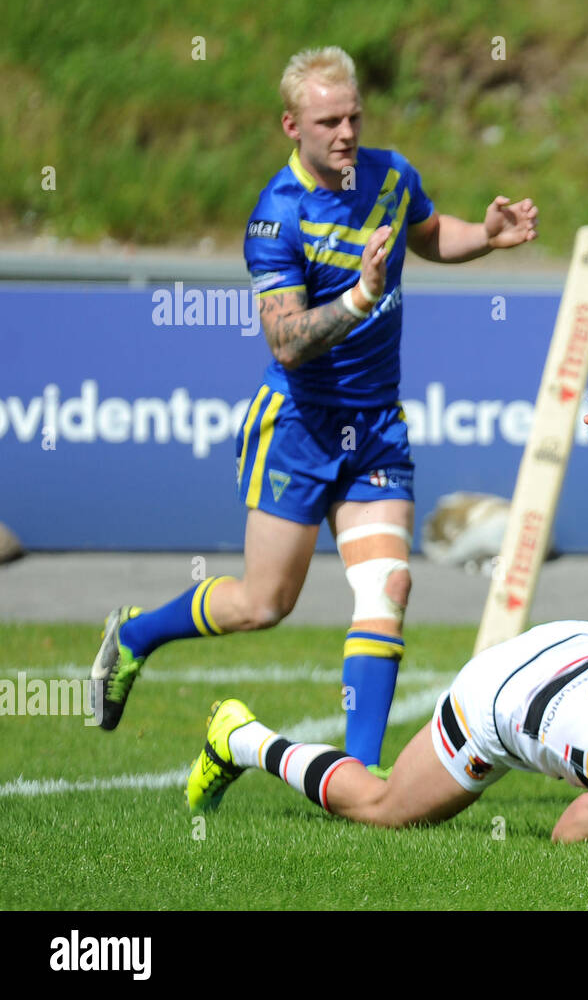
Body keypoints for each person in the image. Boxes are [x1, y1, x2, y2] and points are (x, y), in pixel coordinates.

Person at [90, 46, 539, 770]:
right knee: (263, 605)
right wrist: (360, 297)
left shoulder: (393, 176)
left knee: (388, 583)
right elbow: (287, 340)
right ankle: (137, 635)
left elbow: (429, 236)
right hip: (299, 426)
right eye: (328, 120)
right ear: (290, 126)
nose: (346, 132)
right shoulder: (278, 216)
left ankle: (360, 777)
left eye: (354, 115)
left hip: (377, 426)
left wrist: (485, 236)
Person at [185, 620, 588, 847]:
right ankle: (240, 737)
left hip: (577, 642)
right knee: (384, 808)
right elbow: (569, 831)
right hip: (497, 703)